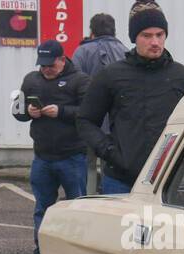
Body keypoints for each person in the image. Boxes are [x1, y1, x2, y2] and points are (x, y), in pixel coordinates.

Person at [78, 2, 184, 195]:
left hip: (167, 182)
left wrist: (183, 157)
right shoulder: (111, 76)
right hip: (120, 181)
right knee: (118, 227)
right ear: (134, 37)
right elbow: (85, 120)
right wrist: (110, 152)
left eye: (159, 35)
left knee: (165, 227)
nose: (155, 42)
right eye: (147, 35)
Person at [13, 40, 90, 254]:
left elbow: (88, 112)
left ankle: (78, 253)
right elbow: (17, 112)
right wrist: (27, 112)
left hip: (73, 157)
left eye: (50, 65)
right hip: (42, 157)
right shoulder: (31, 80)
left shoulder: (80, 80)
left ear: (61, 59)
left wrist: (62, 111)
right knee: (42, 207)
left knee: (77, 208)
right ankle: (42, 252)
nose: (46, 69)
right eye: (42, 65)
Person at [72, 13, 124, 193]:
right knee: (113, 166)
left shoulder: (81, 51)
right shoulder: (125, 51)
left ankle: (88, 203)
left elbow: (74, 83)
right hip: (117, 123)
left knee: (89, 166)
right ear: (114, 30)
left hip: (90, 121)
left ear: (91, 30)